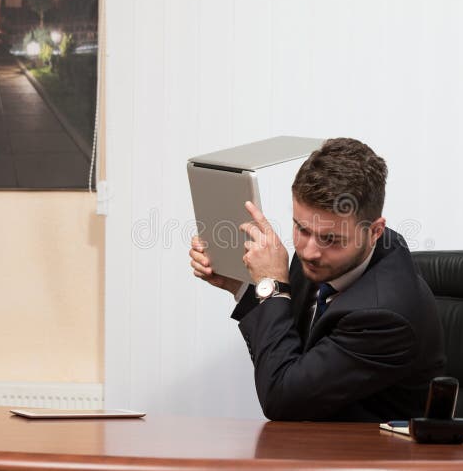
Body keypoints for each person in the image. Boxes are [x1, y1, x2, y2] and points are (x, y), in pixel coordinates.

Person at [190, 138, 445, 421]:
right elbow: (287, 348)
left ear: (375, 231)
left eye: (330, 239)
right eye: (301, 229)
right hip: (314, 439)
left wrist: (272, 285)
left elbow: (282, 397)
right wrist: (240, 285)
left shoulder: (385, 315)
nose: (309, 251)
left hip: (369, 447)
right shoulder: (324, 257)